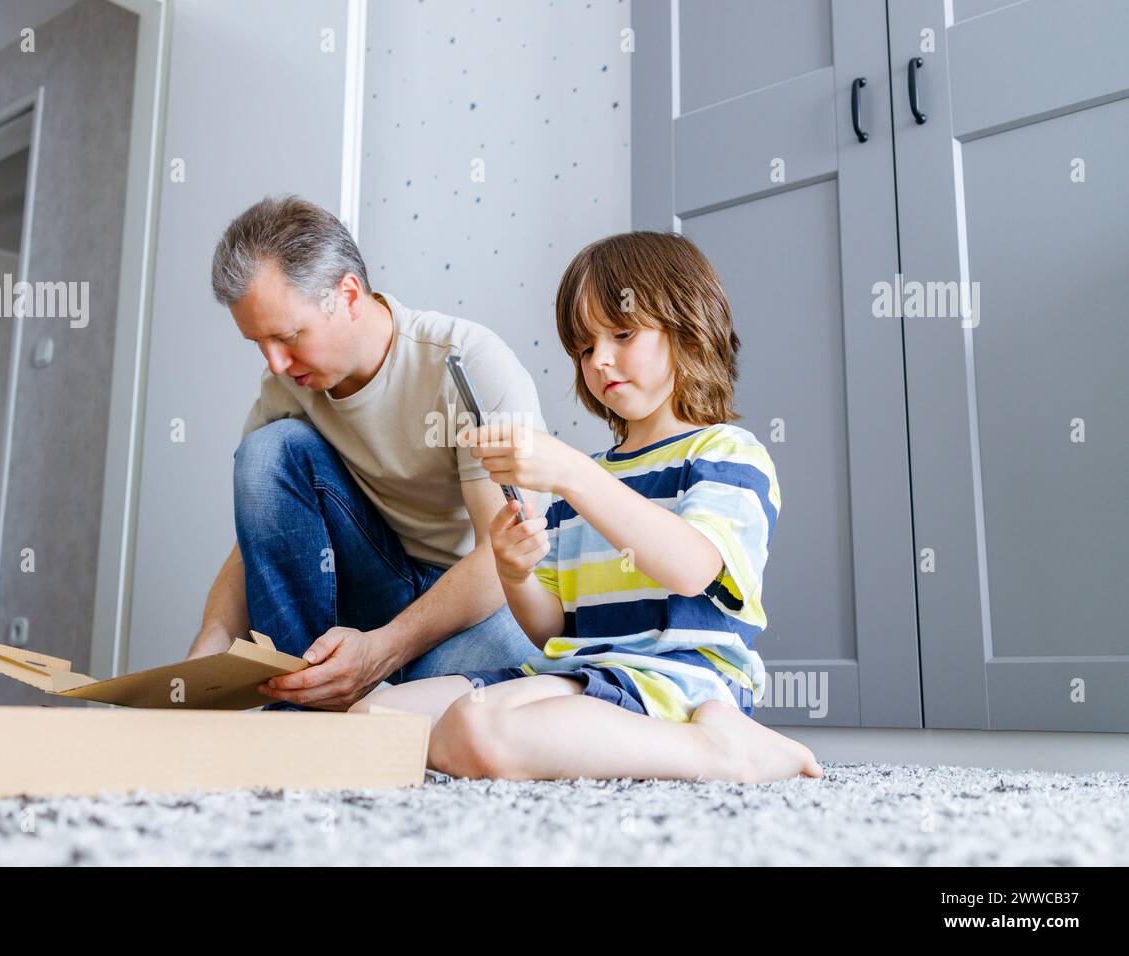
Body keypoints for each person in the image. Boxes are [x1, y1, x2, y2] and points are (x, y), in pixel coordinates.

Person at [351, 231, 824, 783]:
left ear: (690, 330)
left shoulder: (725, 453)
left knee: (478, 732)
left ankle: (723, 750)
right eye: (584, 347)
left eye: (622, 333)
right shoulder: (589, 479)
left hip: (678, 682)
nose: (600, 360)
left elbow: (691, 568)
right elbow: (553, 624)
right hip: (582, 669)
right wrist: (514, 568)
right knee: (369, 718)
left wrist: (574, 475)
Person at [187, 195, 546, 713]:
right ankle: (302, 706)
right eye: (258, 343)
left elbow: (497, 559)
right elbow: (260, 536)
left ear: (349, 295)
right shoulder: (286, 387)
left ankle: (370, 687)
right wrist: (212, 644)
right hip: (373, 587)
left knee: (527, 695)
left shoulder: (468, 364)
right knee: (265, 454)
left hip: (469, 604)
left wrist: (383, 650)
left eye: (287, 336)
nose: (276, 362)